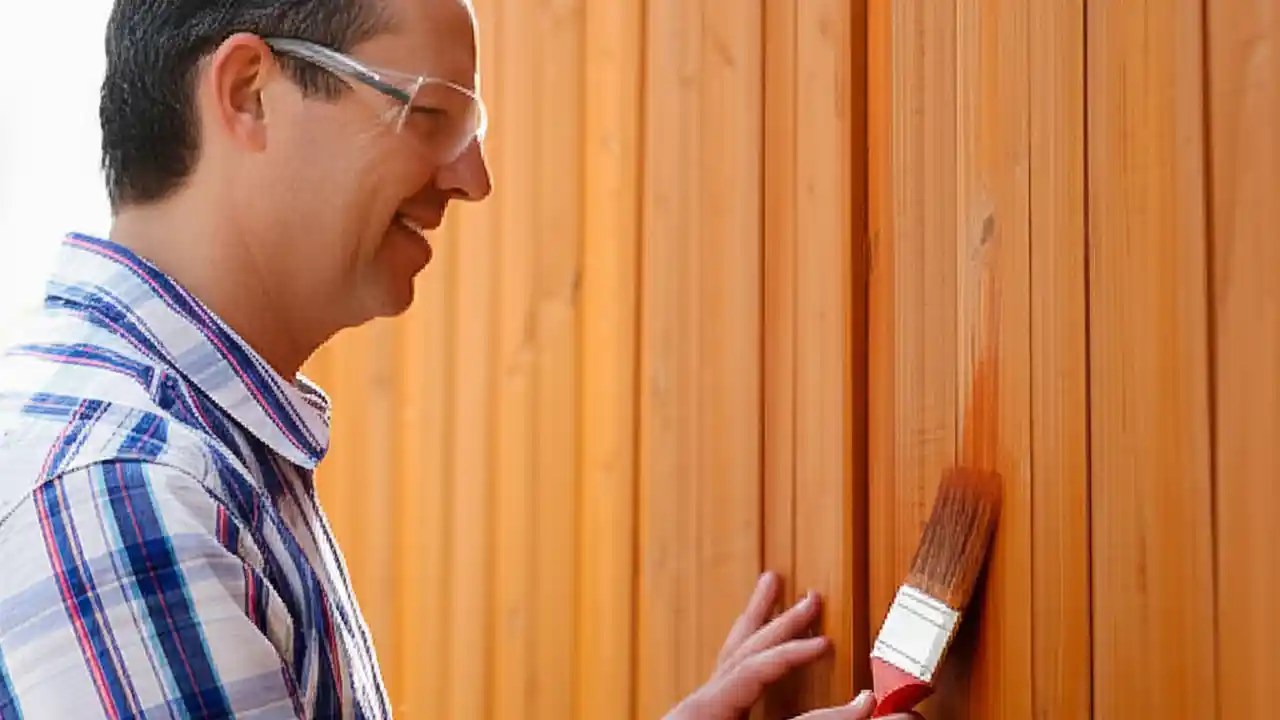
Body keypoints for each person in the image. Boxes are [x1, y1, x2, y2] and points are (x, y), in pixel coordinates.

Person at [0, 0, 921, 718]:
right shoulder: (124, 489)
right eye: (430, 114)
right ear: (248, 92)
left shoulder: (187, 454)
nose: (471, 179)